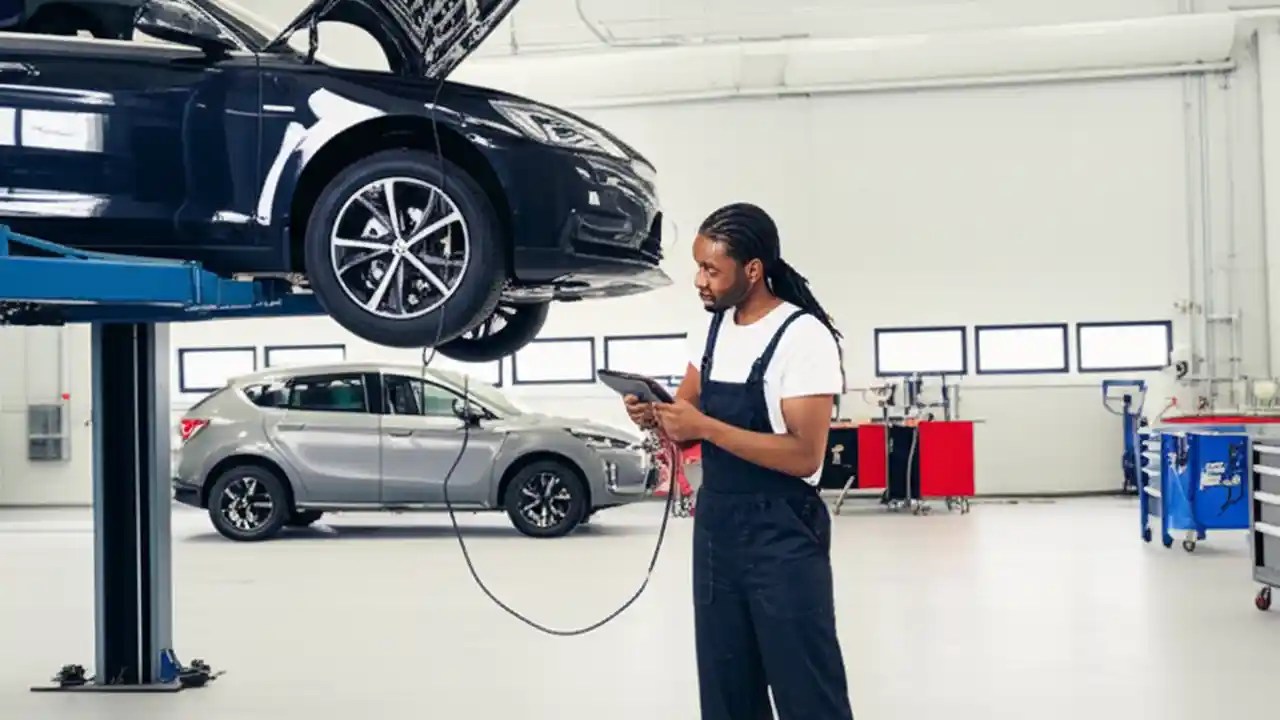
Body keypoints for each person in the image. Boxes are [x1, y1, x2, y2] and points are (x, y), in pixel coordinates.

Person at [624, 202, 854, 719]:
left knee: (806, 689)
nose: (699, 281)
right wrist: (654, 414)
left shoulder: (803, 337)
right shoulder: (708, 331)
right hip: (717, 532)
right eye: (698, 266)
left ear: (752, 270)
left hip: (783, 533)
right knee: (727, 691)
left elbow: (804, 454)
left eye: (711, 269)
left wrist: (703, 427)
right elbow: (685, 418)